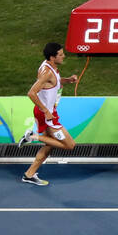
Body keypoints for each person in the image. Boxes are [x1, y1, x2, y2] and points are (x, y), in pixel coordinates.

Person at [19, 43, 79, 186]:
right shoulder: (47, 72)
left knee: (49, 145)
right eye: (61, 54)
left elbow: (53, 83)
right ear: (52, 57)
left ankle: (29, 175)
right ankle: (32, 137)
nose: (64, 56)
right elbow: (31, 93)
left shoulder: (49, 67)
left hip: (44, 112)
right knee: (70, 145)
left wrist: (68, 80)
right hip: (47, 114)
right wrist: (46, 111)